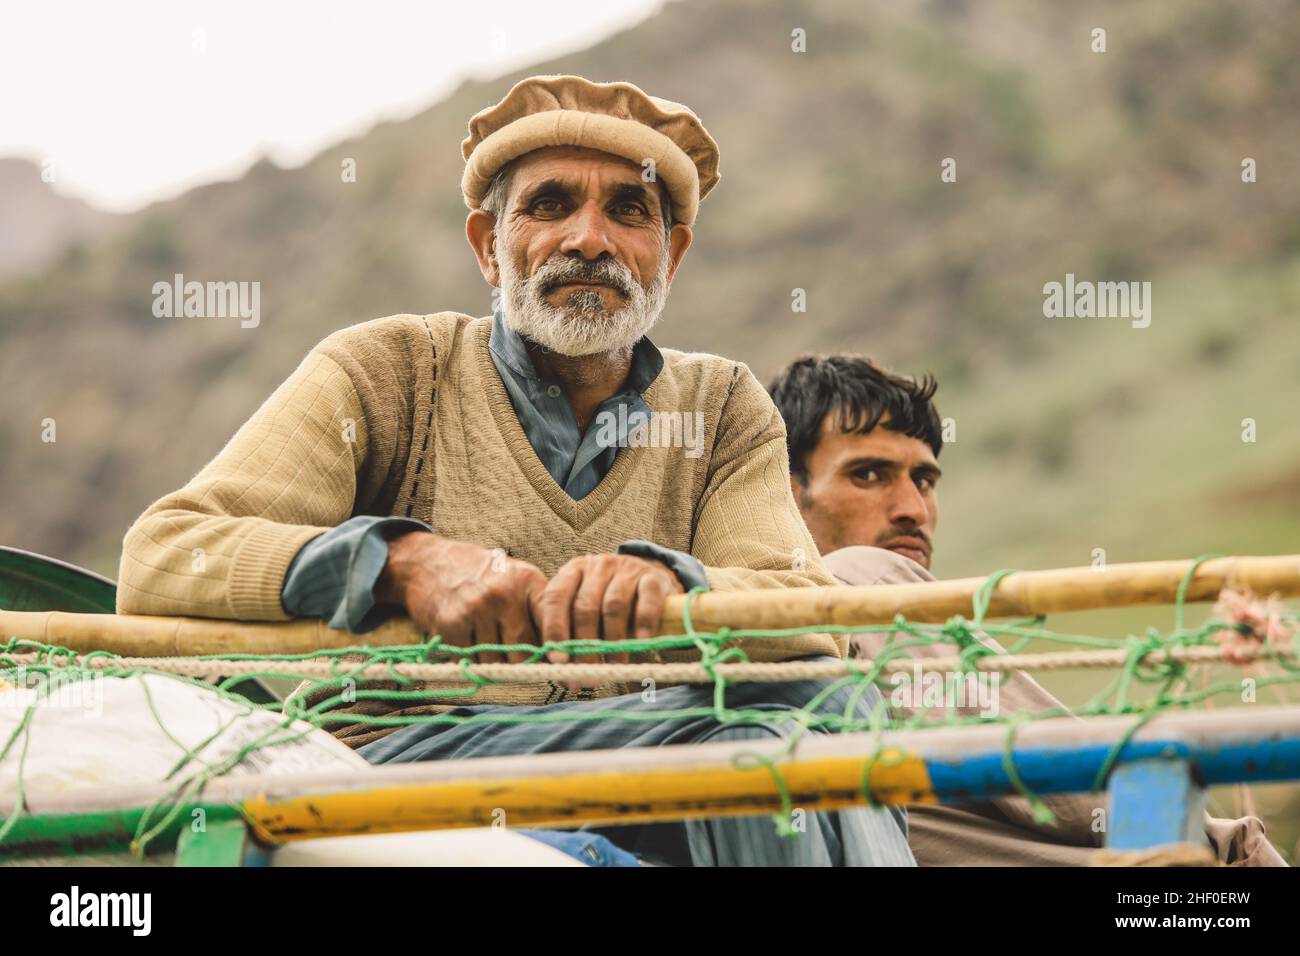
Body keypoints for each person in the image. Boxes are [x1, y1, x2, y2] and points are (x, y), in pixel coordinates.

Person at [116, 76, 914, 867]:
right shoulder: (390, 369)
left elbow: (807, 622)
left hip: (657, 751)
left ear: (671, 253)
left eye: (628, 210)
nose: (588, 240)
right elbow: (164, 554)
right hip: (409, 763)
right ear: (485, 247)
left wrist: (677, 588)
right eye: (550, 205)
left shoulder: (723, 404)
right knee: (776, 740)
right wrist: (400, 563)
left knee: (824, 706)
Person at [767, 353, 1286, 865]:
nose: (914, 510)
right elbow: (1085, 795)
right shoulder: (859, 576)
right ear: (788, 496)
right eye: (869, 475)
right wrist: (1232, 848)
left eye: (924, 481)